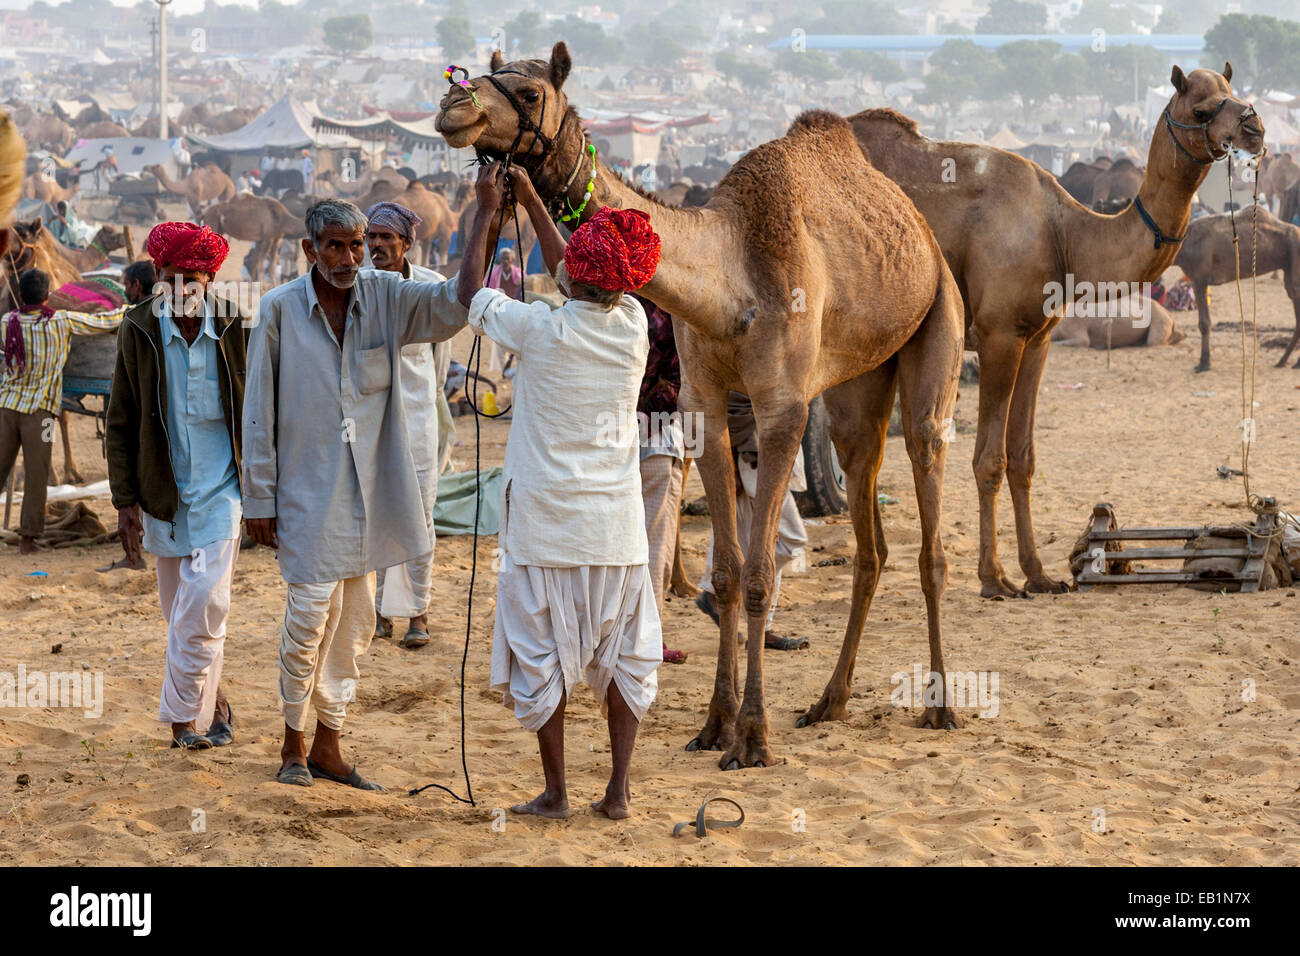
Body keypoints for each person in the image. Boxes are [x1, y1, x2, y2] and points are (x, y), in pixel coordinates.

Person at [458, 162, 663, 821]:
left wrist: (491, 208)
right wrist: (535, 202)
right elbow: (572, 267)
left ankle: (557, 793)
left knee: (540, 658)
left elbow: (469, 293)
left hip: (545, 532)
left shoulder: (539, 330)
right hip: (616, 534)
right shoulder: (631, 325)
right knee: (627, 660)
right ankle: (619, 792)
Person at [243, 198, 469, 791]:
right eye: (337, 246)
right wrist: (258, 497)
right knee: (309, 618)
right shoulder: (279, 310)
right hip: (305, 494)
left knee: (357, 624)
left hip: (370, 498)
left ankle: (329, 743)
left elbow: (454, 305)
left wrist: (489, 215)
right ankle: (292, 741)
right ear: (309, 250)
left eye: (357, 244)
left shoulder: (386, 297)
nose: (349, 257)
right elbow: (257, 412)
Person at [107, 221, 247, 751]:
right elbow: (121, 419)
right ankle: (218, 699)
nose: (184, 287)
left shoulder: (234, 326)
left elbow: (256, 411)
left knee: (206, 603)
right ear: (157, 277)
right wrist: (124, 501)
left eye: (195, 276)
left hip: (223, 491)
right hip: (162, 494)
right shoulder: (137, 328)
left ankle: (182, 722)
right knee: (180, 615)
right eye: (172, 276)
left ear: (210, 279)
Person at [364, 200, 451, 649]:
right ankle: (380, 613)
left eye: (385, 237)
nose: (377, 245)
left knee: (420, 521)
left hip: (418, 423)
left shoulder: (432, 289)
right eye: (371, 237)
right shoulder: (354, 288)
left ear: (406, 242)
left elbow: (439, 365)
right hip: (369, 427)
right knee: (376, 519)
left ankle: (418, 614)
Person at [0, 268, 125, 553]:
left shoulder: (9, 321)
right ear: (47, 296)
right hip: (40, 412)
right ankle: (28, 540)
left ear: (20, 295)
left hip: (6, 408)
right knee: (36, 475)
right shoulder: (60, 320)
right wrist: (131, 308)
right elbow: (103, 320)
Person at [695, 392, 810, 651]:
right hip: (755, 460)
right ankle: (723, 591)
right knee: (791, 540)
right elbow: (733, 407)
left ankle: (761, 625)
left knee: (762, 542)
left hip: (761, 455)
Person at [635, 294, 687, 664]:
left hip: (616, 434)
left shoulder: (615, 304)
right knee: (655, 547)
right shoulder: (671, 315)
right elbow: (678, 381)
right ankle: (648, 638)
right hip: (656, 436)